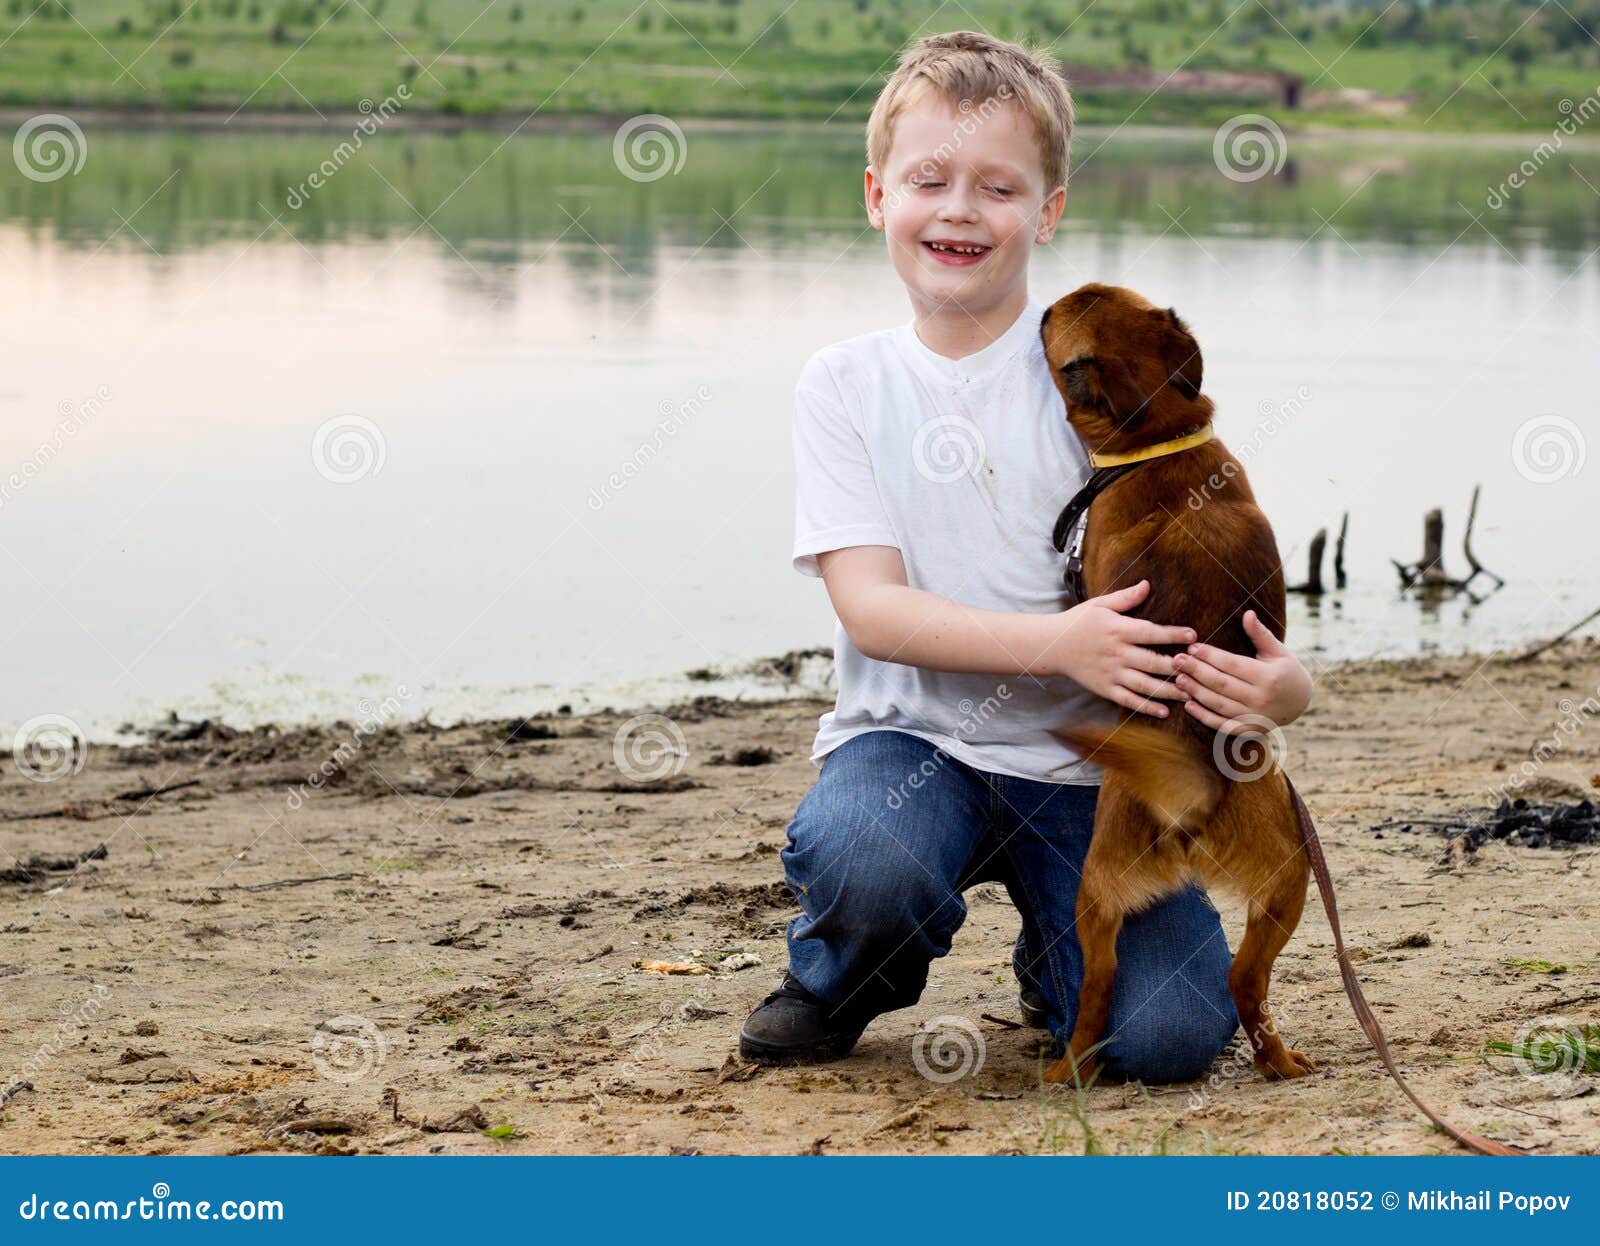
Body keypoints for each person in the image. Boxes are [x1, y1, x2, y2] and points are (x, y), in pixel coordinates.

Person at [738, 31, 1314, 1084]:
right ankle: (843, 977)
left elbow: (1225, 568)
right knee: (866, 854)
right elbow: (870, 609)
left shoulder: (1099, 376)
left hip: (1091, 781)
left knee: (1170, 1040)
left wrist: (1284, 684)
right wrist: (1060, 645)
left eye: (997, 186)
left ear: (1046, 210)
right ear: (877, 195)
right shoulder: (844, 383)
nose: (958, 209)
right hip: (912, 747)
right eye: (928, 179)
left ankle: (1059, 966)